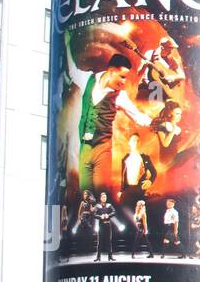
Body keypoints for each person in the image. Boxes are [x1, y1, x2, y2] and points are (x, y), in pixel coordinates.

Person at [65, 48, 152, 196]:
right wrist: (67, 43)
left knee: (101, 195)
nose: (124, 82)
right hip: (84, 148)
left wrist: (159, 123)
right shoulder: (87, 79)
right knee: (85, 196)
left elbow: (138, 116)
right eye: (122, 77)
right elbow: (72, 70)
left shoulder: (120, 96)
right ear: (111, 71)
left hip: (103, 148)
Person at [139, 37, 185, 102]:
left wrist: (172, 77)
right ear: (162, 47)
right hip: (146, 87)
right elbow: (139, 73)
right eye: (170, 49)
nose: (171, 52)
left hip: (161, 91)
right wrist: (144, 66)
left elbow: (182, 76)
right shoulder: (150, 54)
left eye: (172, 49)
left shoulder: (171, 60)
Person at [120, 134, 157, 201]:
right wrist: (121, 190)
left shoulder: (145, 158)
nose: (136, 142)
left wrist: (150, 181)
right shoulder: (125, 158)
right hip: (127, 190)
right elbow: (122, 176)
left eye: (138, 141)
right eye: (134, 140)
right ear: (129, 143)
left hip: (140, 190)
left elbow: (154, 172)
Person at [93, 191, 116, 261]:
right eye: (103, 197)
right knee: (100, 241)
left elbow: (114, 212)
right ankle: (98, 257)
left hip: (108, 224)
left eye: (105, 197)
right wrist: (100, 216)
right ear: (100, 198)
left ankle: (110, 256)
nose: (104, 198)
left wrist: (108, 215)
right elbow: (94, 214)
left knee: (109, 241)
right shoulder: (97, 206)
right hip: (101, 225)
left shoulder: (109, 205)